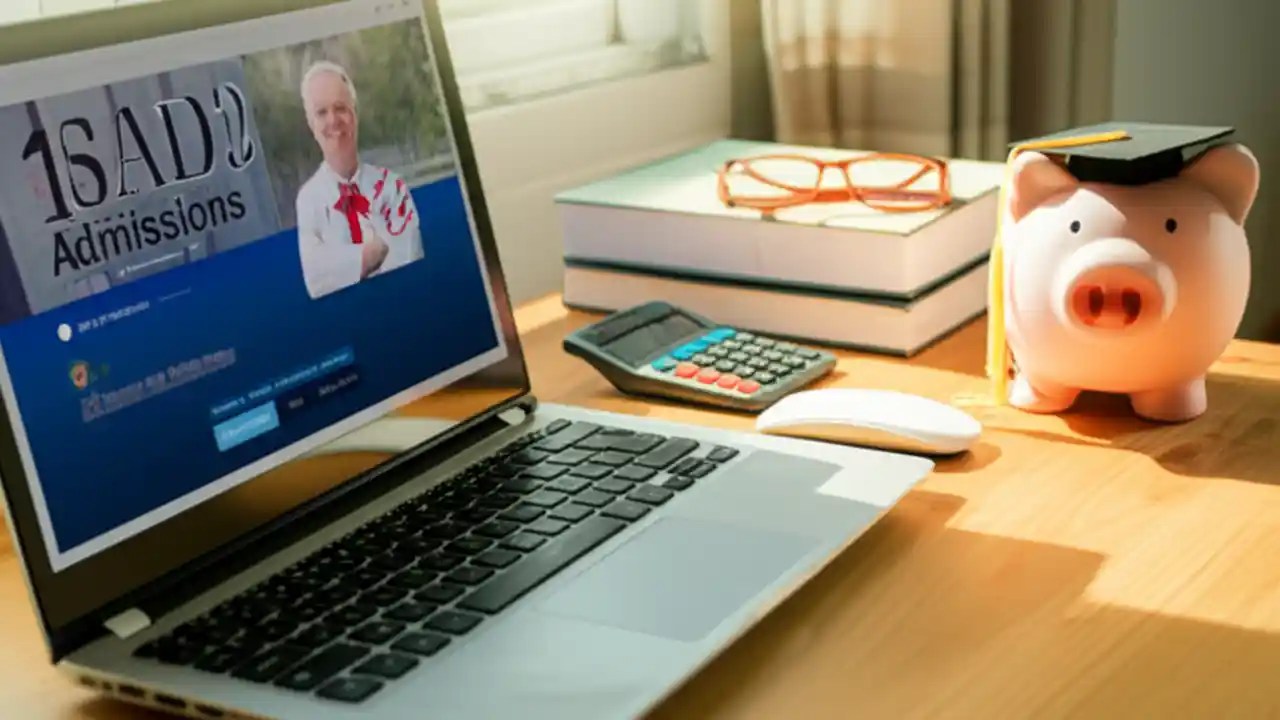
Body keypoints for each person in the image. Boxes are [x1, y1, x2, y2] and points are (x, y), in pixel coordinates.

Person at [294, 60, 423, 299]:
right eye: (322, 112)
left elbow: (408, 261)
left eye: (340, 108)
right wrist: (369, 254)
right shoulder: (309, 200)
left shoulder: (392, 187)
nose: (333, 120)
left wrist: (342, 265)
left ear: (355, 114)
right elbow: (317, 282)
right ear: (311, 124)